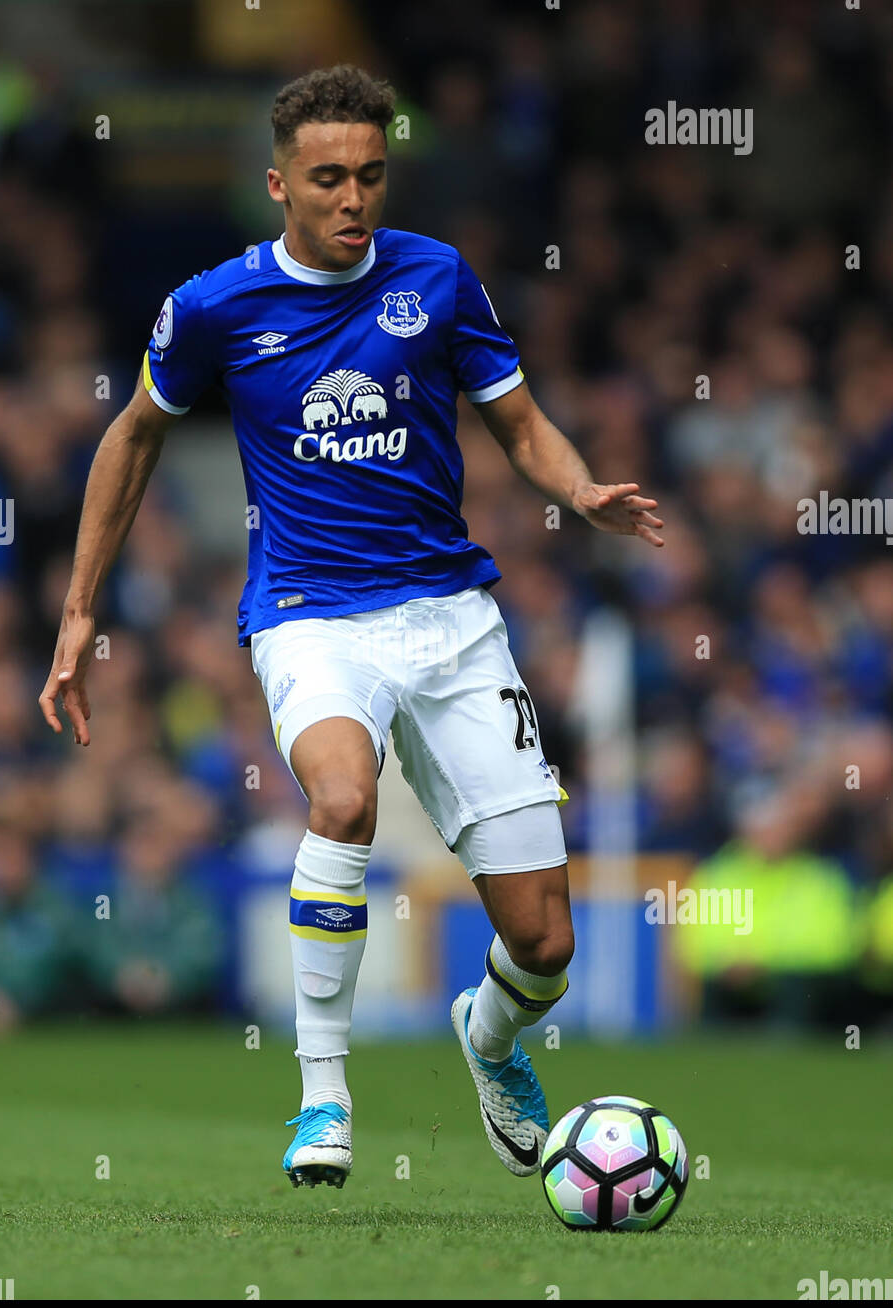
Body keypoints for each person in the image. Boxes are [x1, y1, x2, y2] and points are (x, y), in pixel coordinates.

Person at [39, 65, 664, 1190]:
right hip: (311, 616)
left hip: (453, 620)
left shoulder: (438, 276)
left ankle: (489, 1038)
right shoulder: (214, 307)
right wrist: (81, 611)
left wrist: (579, 492)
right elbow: (132, 437)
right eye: (328, 178)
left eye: (371, 175)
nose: (353, 199)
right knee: (340, 797)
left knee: (547, 947)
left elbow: (518, 423)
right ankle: (323, 1100)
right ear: (277, 184)